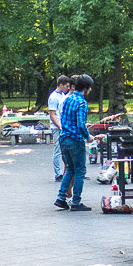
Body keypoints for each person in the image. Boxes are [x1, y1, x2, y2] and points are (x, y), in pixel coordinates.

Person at [55, 74, 94, 211]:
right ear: (87, 88)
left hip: (64, 138)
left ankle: (61, 198)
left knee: (70, 169)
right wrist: (88, 137)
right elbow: (80, 125)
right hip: (75, 140)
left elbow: (67, 120)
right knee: (80, 171)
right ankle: (76, 202)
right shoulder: (82, 103)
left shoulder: (68, 99)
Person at [47, 75, 71, 182]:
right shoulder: (53, 97)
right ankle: (58, 174)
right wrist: (60, 127)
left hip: (63, 126)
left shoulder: (62, 96)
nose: (67, 88)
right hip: (57, 127)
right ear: (60, 85)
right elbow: (52, 115)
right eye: (66, 86)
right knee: (58, 150)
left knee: (65, 150)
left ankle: (66, 172)